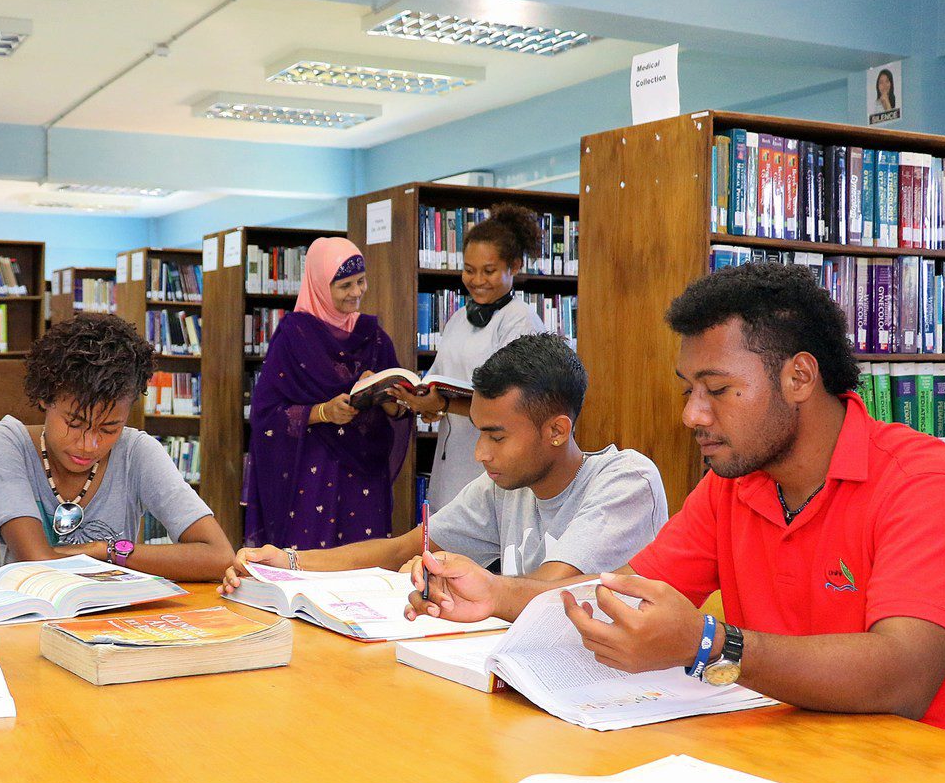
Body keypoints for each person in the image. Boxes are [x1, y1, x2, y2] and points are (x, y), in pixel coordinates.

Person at [406, 263, 945, 747]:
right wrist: (495, 594)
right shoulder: (733, 485)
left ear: (800, 378)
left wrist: (713, 645)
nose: (692, 415)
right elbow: (622, 594)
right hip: (794, 762)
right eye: (689, 391)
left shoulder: (923, 486)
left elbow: (904, 677)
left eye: (717, 390)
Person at [223, 334, 666, 589]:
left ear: (556, 431)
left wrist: (462, 578)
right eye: (479, 432)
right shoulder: (502, 487)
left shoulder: (626, 481)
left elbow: (550, 592)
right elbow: (402, 548)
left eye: (497, 436)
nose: (480, 453)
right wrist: (290, 562)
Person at [0, 313, 233, 581]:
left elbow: (219, 556)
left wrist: (105, 550)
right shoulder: (5, 443)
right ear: (45, 397)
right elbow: (37, 561)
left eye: (109, 429)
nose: (89, 445)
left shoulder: (137, 452)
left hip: (117, 606)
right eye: (75, 423)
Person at [243, 236, 413, 549]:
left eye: (361, 281)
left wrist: (389, 400)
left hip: (365, 475)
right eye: (345, 285)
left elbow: (401, 407)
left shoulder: (374, 337)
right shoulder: (294, 337)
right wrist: (323, 412)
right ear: (321, 286)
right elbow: (266, 414)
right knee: (310, 560)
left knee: (364, 561)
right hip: (312, 474)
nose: (357, 292)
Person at [391, 204, 544, 512]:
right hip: (452, 463)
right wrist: (426, 402)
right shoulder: (458, 318)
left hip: (495, 465)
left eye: (488, 271)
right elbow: (439, 378)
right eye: (469, 270)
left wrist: (444, 405)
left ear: (514, 266)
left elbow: (511, 403)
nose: (477, 280)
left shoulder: (520, 320)